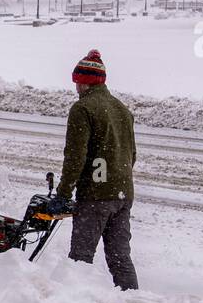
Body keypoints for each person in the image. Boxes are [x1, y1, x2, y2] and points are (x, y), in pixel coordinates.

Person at [48, 49, 139, 290]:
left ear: (83, 81)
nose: (75, 86)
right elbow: (132, 155)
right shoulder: (122, 109)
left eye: (77, 81)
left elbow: (75, 157)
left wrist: (64, 193)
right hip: (123, 194)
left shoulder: (83, 109)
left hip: (96, 197)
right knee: (120, 257)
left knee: (80, 258)